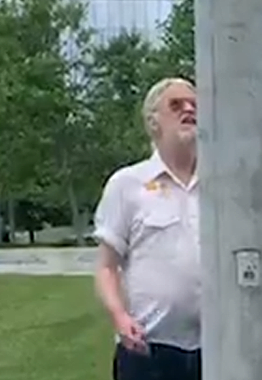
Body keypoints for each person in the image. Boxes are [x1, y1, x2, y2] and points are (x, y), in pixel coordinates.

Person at [92, 77, 202, 380]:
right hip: (148, 348)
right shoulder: (127, 184)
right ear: (153, 122)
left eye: (195, 104)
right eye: (176, 105)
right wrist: (119, 316)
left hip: (213, 346)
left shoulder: (220, 185)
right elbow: (106, 268)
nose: (189, 109)